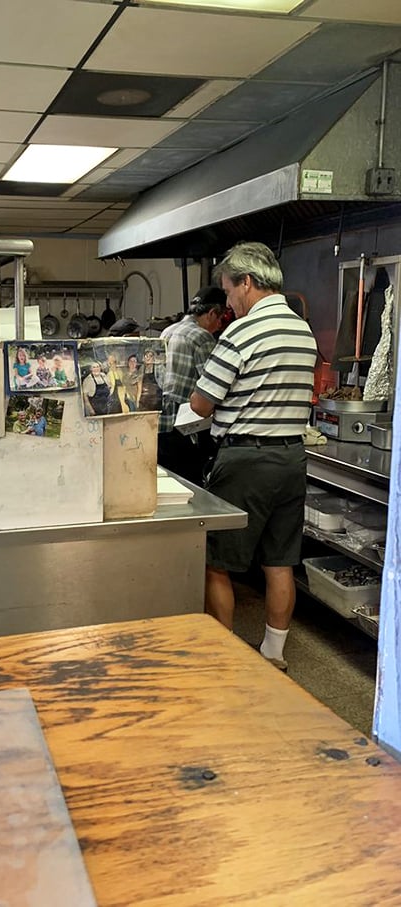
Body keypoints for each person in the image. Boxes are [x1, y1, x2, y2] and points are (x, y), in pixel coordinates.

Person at [189, 242, 317, 673]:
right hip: (292, 458)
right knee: (279, 560)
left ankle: (222, 657)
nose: (227, 302)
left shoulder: (241, 332)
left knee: (216, 560)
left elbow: (203, 404)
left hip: (246, 458)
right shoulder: (303, 329)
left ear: (247, 283)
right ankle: (273, 655)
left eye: (228, 291)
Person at [158, 286, 227, 483]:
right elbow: (212, 384)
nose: (219, 326)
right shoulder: (201, 337)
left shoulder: (167, 331)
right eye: (220, 319)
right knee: (190, 490)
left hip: (160, 424)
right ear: (212, 313)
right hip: (184, 429)